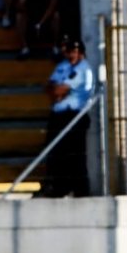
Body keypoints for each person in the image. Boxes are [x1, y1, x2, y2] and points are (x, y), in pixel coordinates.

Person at [43, 39, 94, 197]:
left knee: (75, 154)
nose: (71, 53)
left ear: (81, 52)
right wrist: (56, 92)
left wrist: (58, 92)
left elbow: (59, 90)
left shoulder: (84, 69)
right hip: (58, 114)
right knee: (56, 152)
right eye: (69, 50)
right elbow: (49, 87)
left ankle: (79, 189)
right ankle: (58, 187)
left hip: (74, 115)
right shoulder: (63, 66)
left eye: (75, 50)